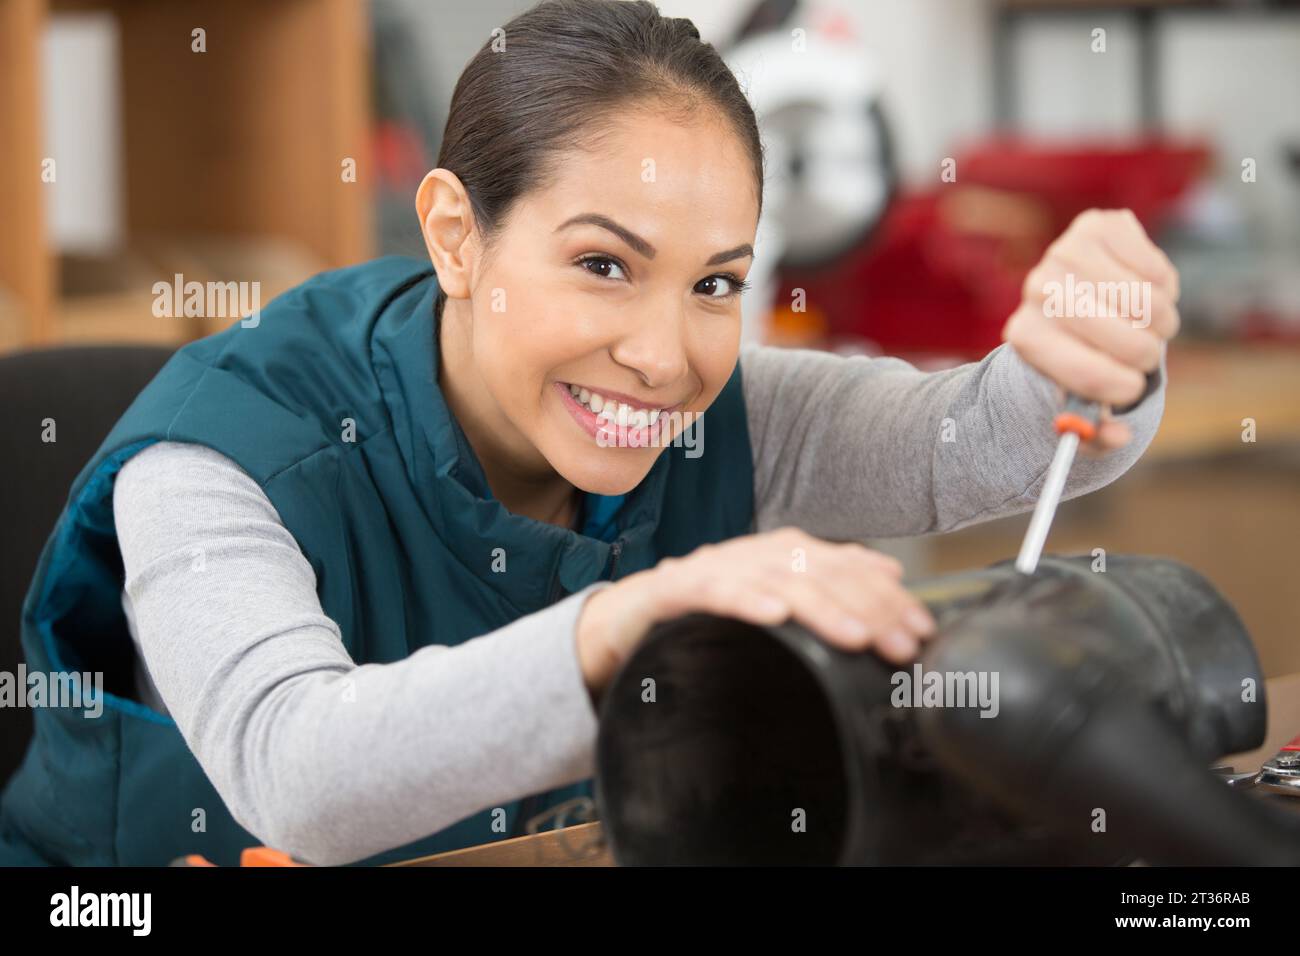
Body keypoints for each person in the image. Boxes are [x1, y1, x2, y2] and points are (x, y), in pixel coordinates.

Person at [0, 0, 1177, 866]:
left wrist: (1096, 343)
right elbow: (297, 773)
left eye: (714, 282)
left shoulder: (719, 416)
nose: (666, 358)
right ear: (457, 236)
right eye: (602, 264)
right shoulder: (212, 459)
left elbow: (978, 441)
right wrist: (636, 618)